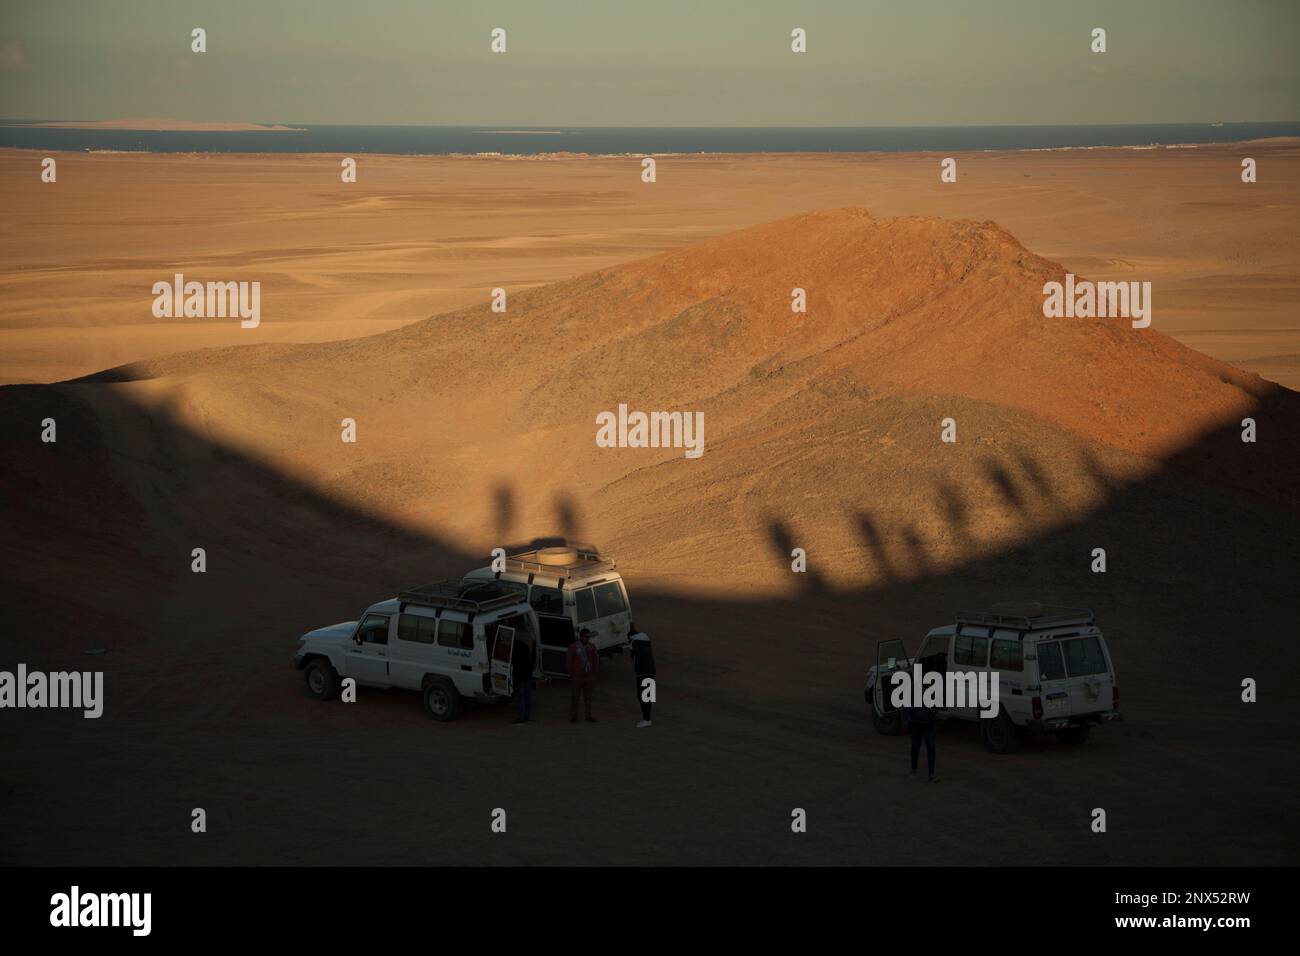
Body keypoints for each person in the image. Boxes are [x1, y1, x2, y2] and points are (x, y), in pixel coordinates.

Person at [902, 654, 942, 782]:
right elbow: (906, 706)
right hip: (916, 724)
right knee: (916, 747)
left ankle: (930, 774)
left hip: (928, 723)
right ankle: (914, 770)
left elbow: (937, 703)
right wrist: (907, 721)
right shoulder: (913, 688)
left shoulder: (931, 687)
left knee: (930, 747)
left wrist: (934, 714)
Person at [626, 622, 656, 728]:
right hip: (651, 671)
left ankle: (646, 719)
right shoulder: (645, 641)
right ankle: (648, 718)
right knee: (648, 696)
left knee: (641, 696)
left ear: (630, 637)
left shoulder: (635, 642)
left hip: (642, 673)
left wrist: (636, 669)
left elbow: (636, 658)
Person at [566, 627, 599, 723]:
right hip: (577, 676)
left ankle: (588, 715)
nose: (587, 639)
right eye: (586, 637)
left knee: (588, 697)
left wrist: (594, 672)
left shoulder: (591, 646)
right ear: (581, 637)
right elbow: (569, 661)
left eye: (588, 637)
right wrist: (571, 674)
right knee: (575, 697)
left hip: (588, 675)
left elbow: (595, 659)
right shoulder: (573, 647)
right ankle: (574, 716)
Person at [512, 633, 535, 724]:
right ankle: (527, 717)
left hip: (519, 678)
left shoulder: (514, 649)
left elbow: (514, 663)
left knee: (520, 698)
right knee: (527, 698)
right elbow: (530, 661)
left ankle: (521, 717)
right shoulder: (525, 647)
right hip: (527, 677)